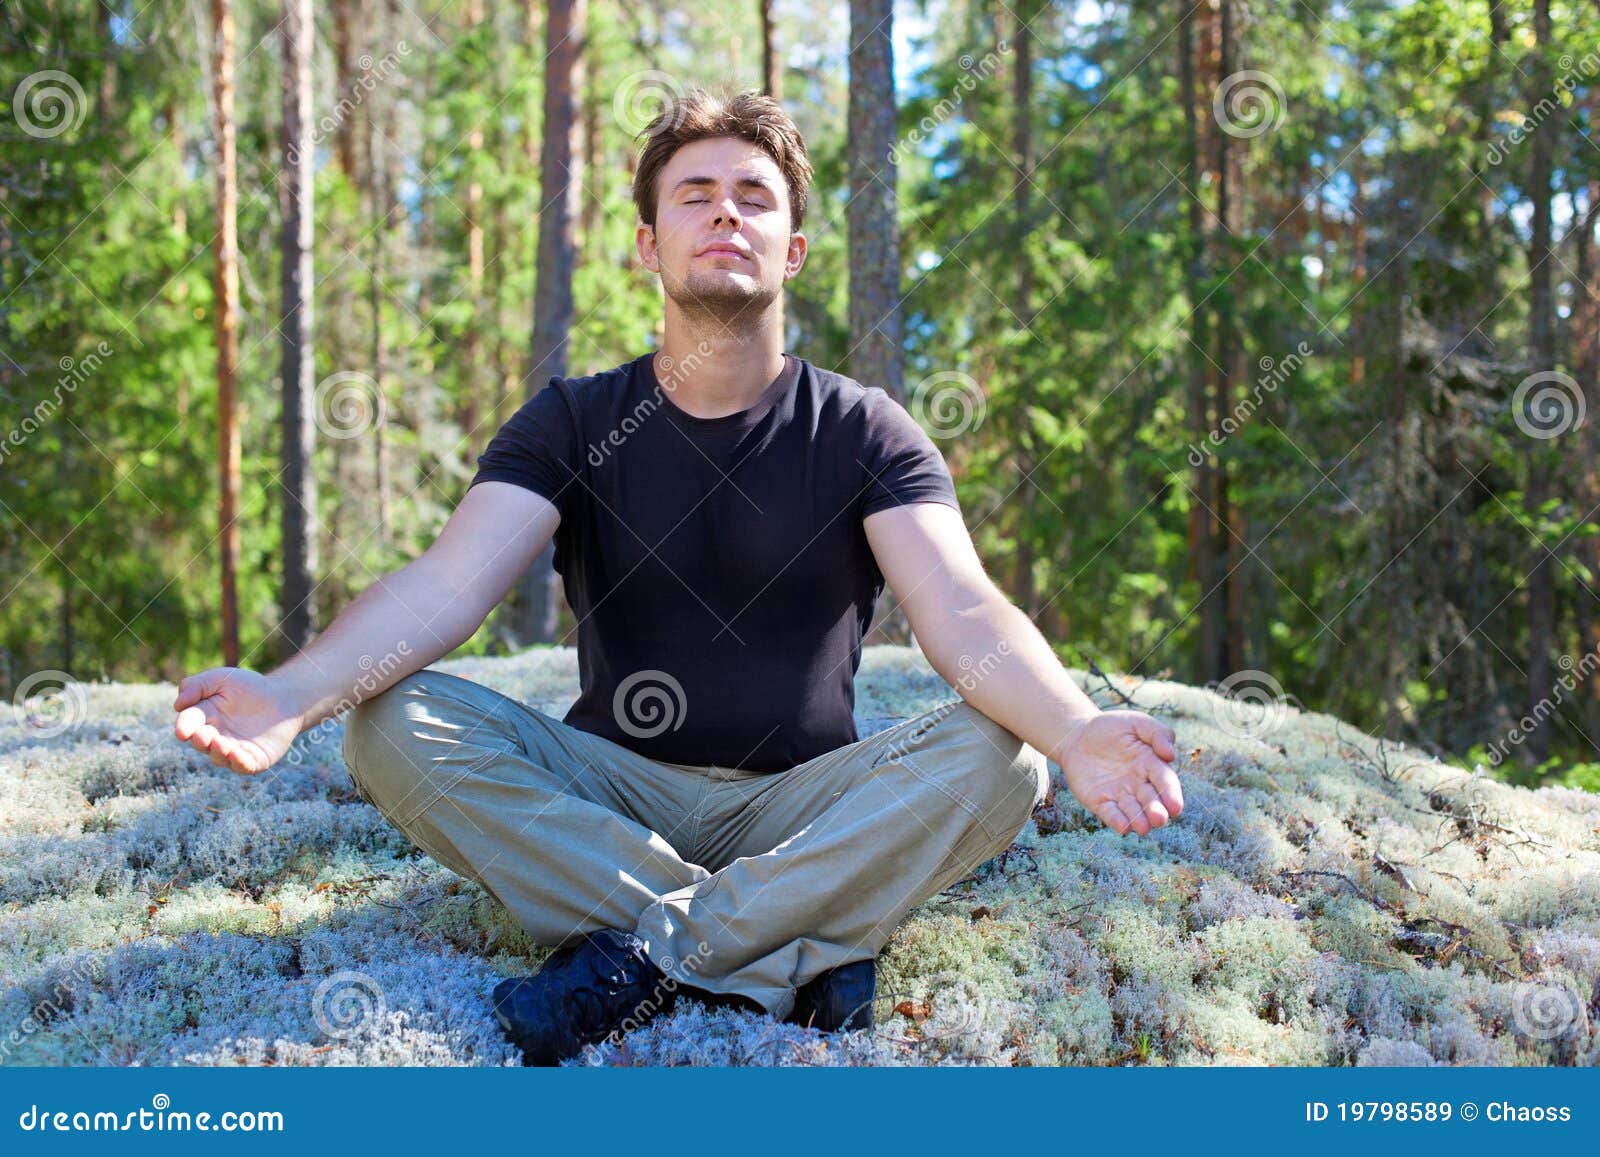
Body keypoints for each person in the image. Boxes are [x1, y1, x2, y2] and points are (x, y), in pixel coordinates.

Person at [172, 86, 1183, 1066]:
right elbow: (446, 584)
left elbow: (959, 607)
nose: (724, 214)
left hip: (804, 800)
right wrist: (291, 693)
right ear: (649, 245)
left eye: (752, 197)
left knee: (1007, 759)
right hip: (609, 797)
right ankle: (798, 939)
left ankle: (652, 951)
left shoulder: (863, 428)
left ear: (790, 250)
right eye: (693, 195)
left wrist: (1073, 724)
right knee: (389, 721)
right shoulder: (571, 419)